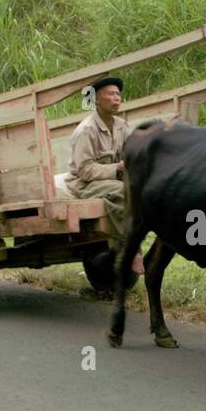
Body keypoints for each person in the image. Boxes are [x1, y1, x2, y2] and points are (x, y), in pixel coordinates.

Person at [66, 75, 143, 274]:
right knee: (122, 192)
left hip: (110, 178)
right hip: (84, 182)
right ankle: (131, 249)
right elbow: (84, 170)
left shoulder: (121, 126)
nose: (116, 98)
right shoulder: (86, 130)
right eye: (110, 94)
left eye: (118, 94)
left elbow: (131, 153)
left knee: (142, 189)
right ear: (97, 100)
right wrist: (116, 168)